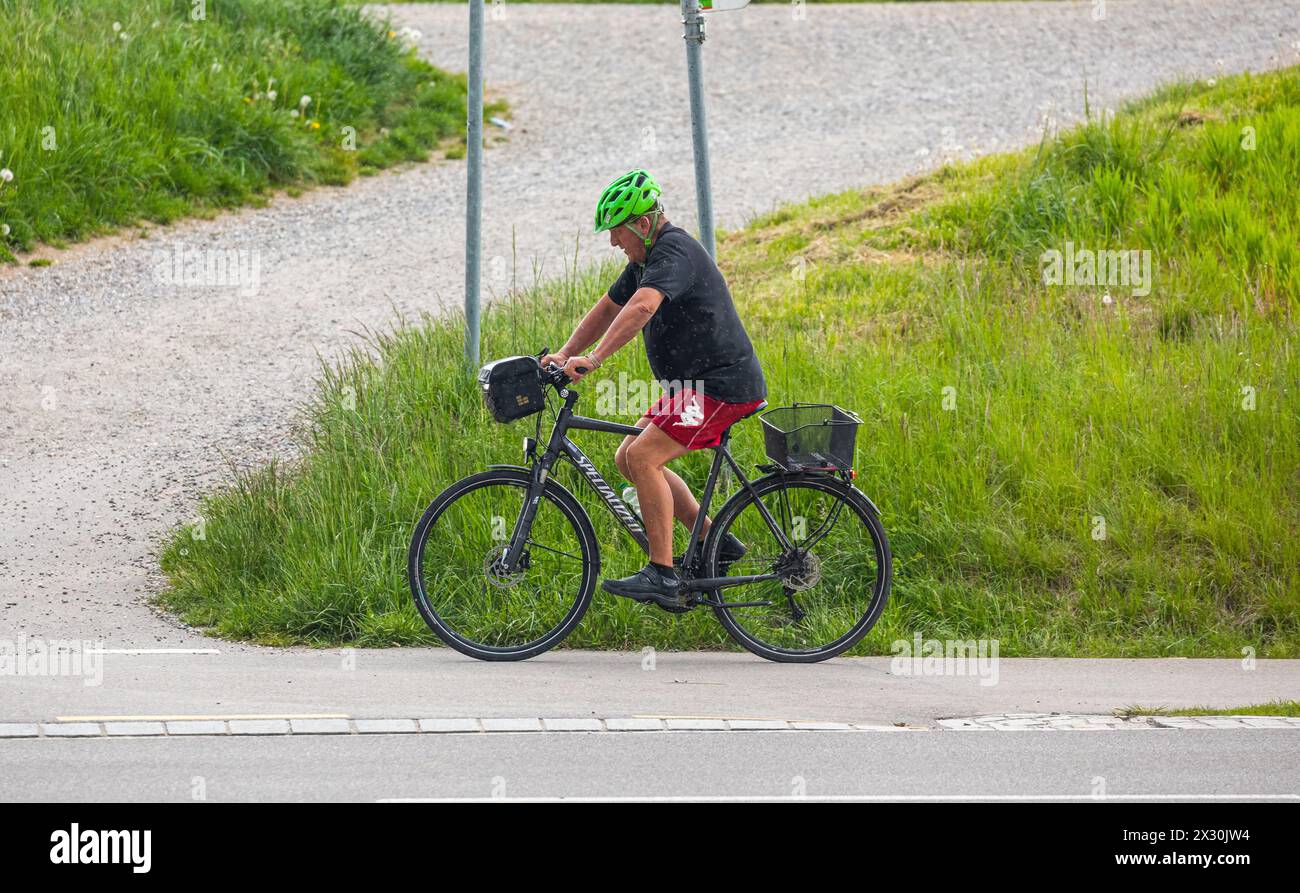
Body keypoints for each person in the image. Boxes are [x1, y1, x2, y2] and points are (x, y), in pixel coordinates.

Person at [542, 169, 767, 607]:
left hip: (722, 387)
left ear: (643, 225)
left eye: (617, 232)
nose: (613, 242)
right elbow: (610, 306)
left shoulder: (674, 251)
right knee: (628, 455)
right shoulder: (644, 258)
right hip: (693, 386)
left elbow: (643, 306)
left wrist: (594, 360)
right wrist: (567, 352)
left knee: (645, 456)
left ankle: (662, 574)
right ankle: (714, 543)